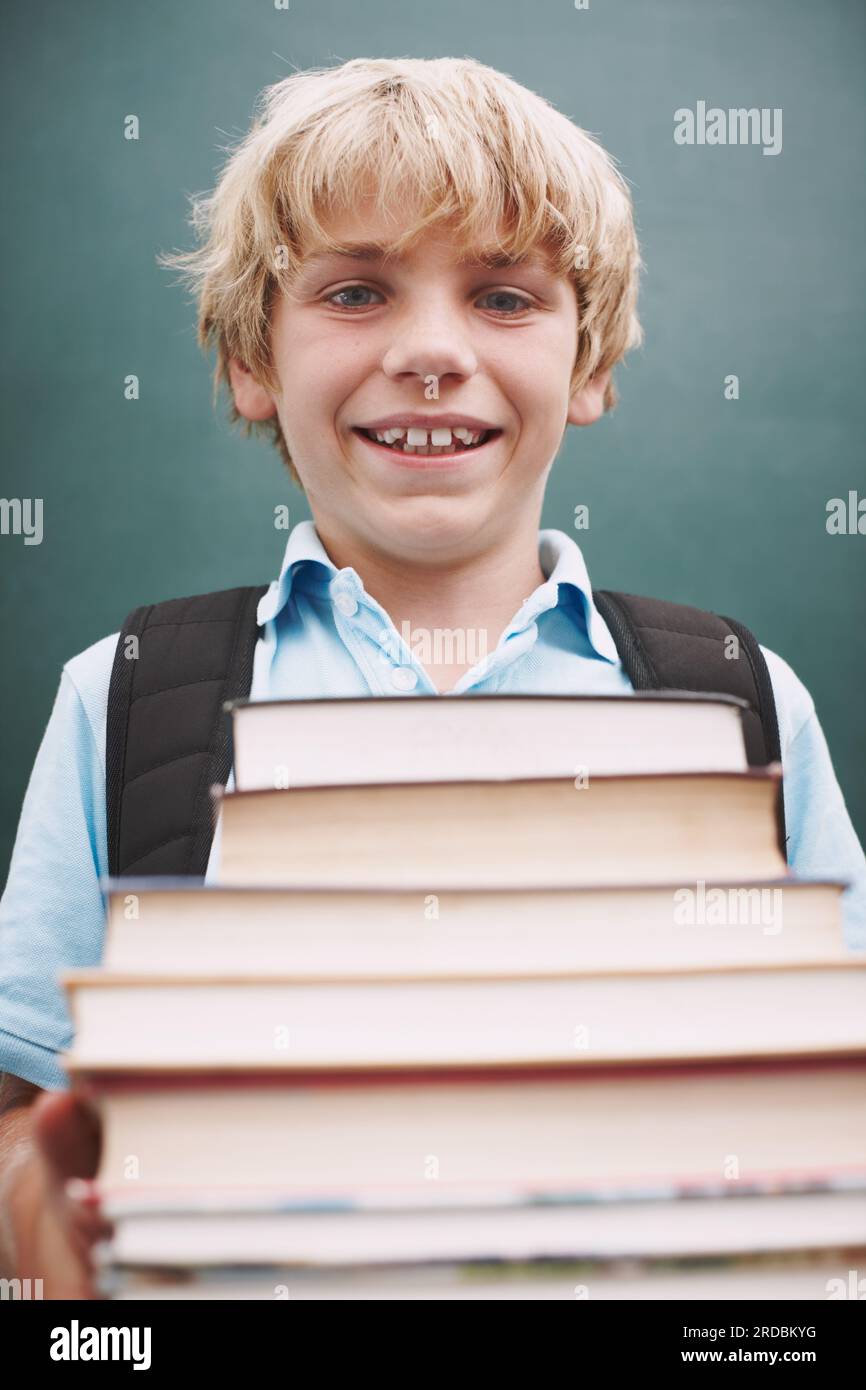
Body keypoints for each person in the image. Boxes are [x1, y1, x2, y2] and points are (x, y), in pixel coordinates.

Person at [2, 56, 864, 1298]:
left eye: (504, 297)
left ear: (588, 367)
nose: (429, 351)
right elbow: (24, 1122)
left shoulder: (742, 704)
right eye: (355, 291)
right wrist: (45, 1218)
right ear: (252, 359)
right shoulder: (125, 697)